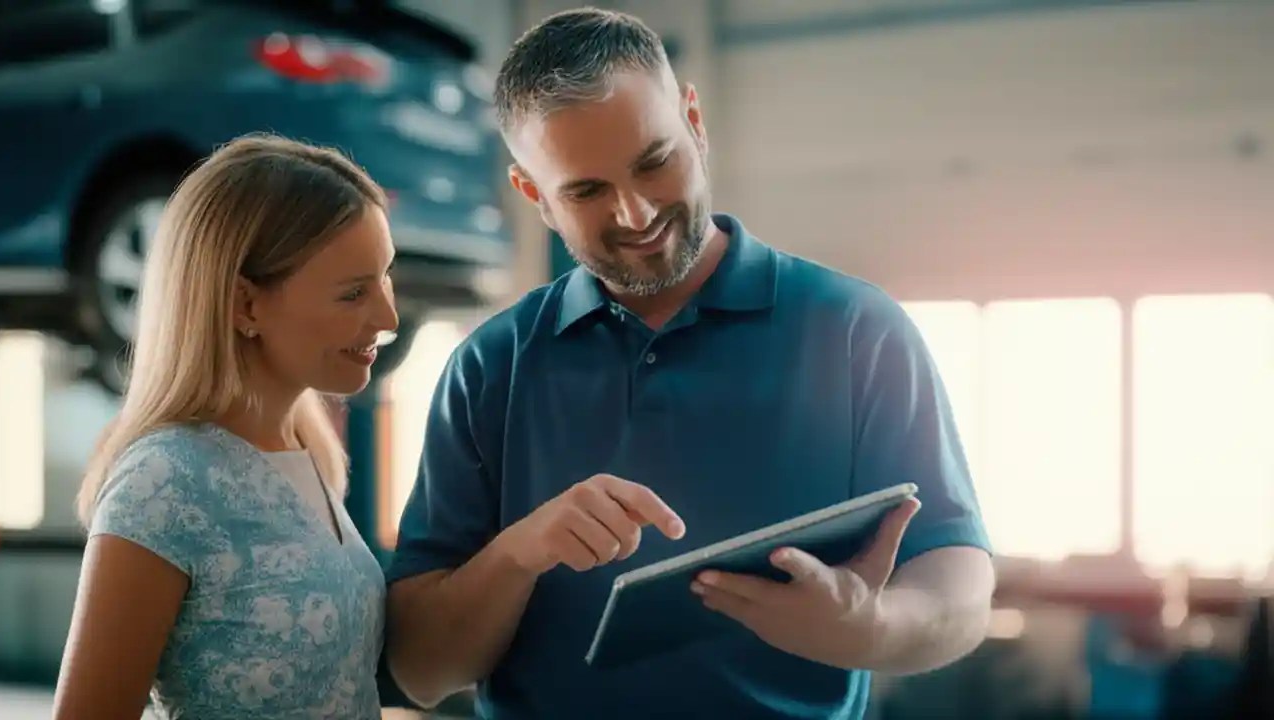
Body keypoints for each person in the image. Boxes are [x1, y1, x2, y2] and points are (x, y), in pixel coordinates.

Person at [385, 8, 995, 719]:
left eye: (655, 161)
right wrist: (517, 554)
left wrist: (872, 627)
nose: (636, 212)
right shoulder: (489, 367)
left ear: (695, 124)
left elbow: (960, 585)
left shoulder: (858, 331)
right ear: (535, 197)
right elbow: (420, 673)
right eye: (586, 191)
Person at [54, 134, 400, 719]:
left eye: (385, 278)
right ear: (245, 306)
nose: (388, 316)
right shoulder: (164, 482)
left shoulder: (308, 453)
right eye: (353, 294)